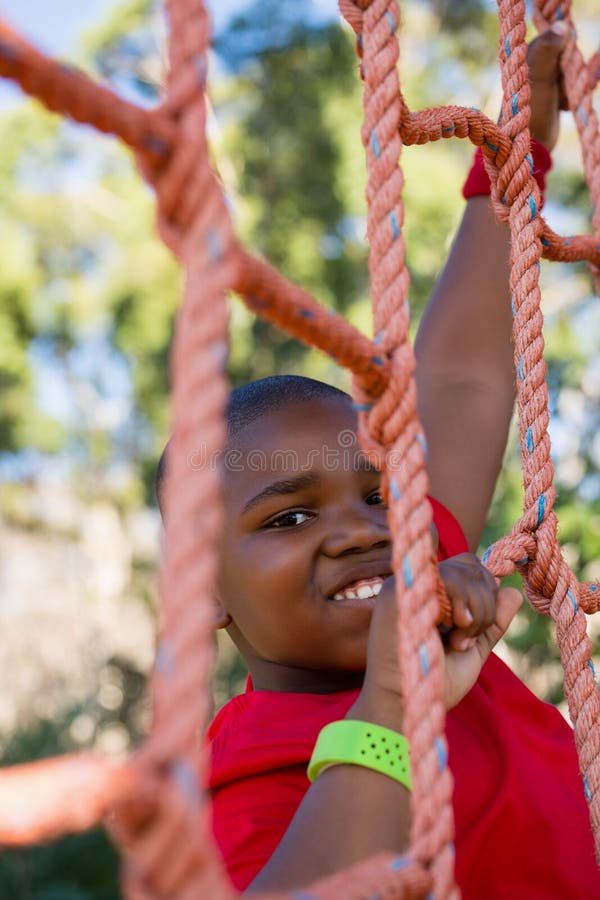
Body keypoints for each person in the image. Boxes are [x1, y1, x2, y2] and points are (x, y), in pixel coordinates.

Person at [157, 22, 600, 898]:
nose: (360, 529)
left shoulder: (417, 565)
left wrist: (515, 157)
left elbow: (465, 379)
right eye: (287, 518)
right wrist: (393, 706)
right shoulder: (243, 775)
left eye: (375, 493)